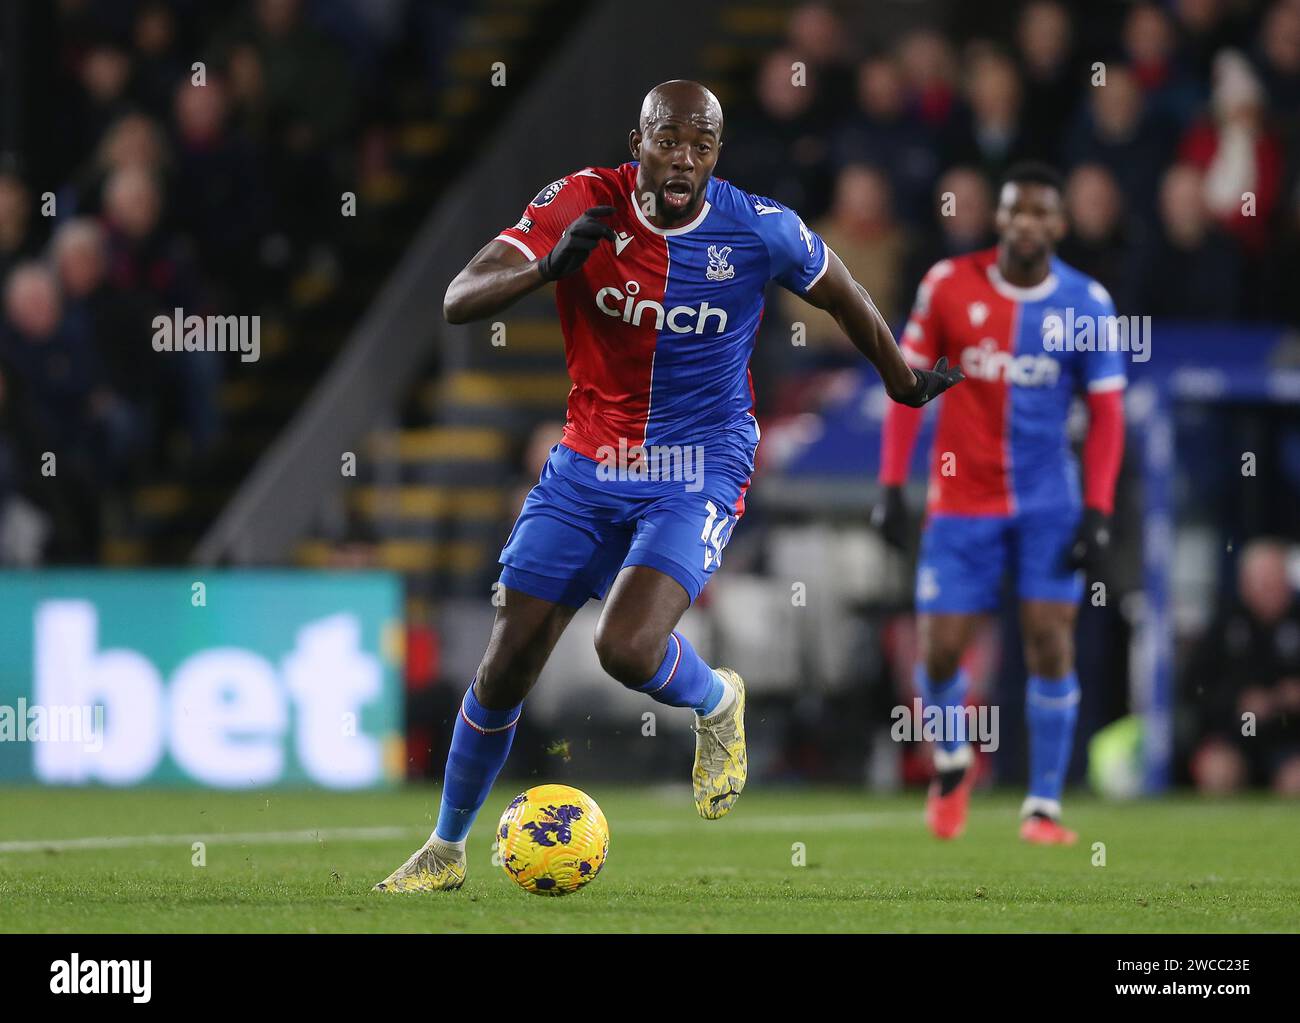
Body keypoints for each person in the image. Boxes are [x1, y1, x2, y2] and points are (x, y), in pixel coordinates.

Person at [375, 80, 963, 892]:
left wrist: (898, 378)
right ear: (638, 140)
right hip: (589, 463)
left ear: (716, 153)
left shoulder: (757, 227)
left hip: (699, 466)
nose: (683, 157)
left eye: (701, 143)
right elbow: (458, 299)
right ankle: (444, 849)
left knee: (626, 647)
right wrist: (549, 266)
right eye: (668, 138)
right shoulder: (584, 201)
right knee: (505, 666)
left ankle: (717, 699)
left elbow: (842, 291)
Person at [874, 162, 1126, 845]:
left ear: (1059, 225)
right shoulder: (948, 285)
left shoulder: (1088, 304)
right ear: (1001, 219)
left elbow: (1108, 415)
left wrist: (1098, 510)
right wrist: (892, 484)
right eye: (1016, 211)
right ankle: (954, 759)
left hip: (1049, 503)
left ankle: (1041, 807)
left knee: (1050, 642)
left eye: (1042, 213)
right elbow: (905, 382)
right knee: (941, 653)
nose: (1027, 223)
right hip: (961, 500)